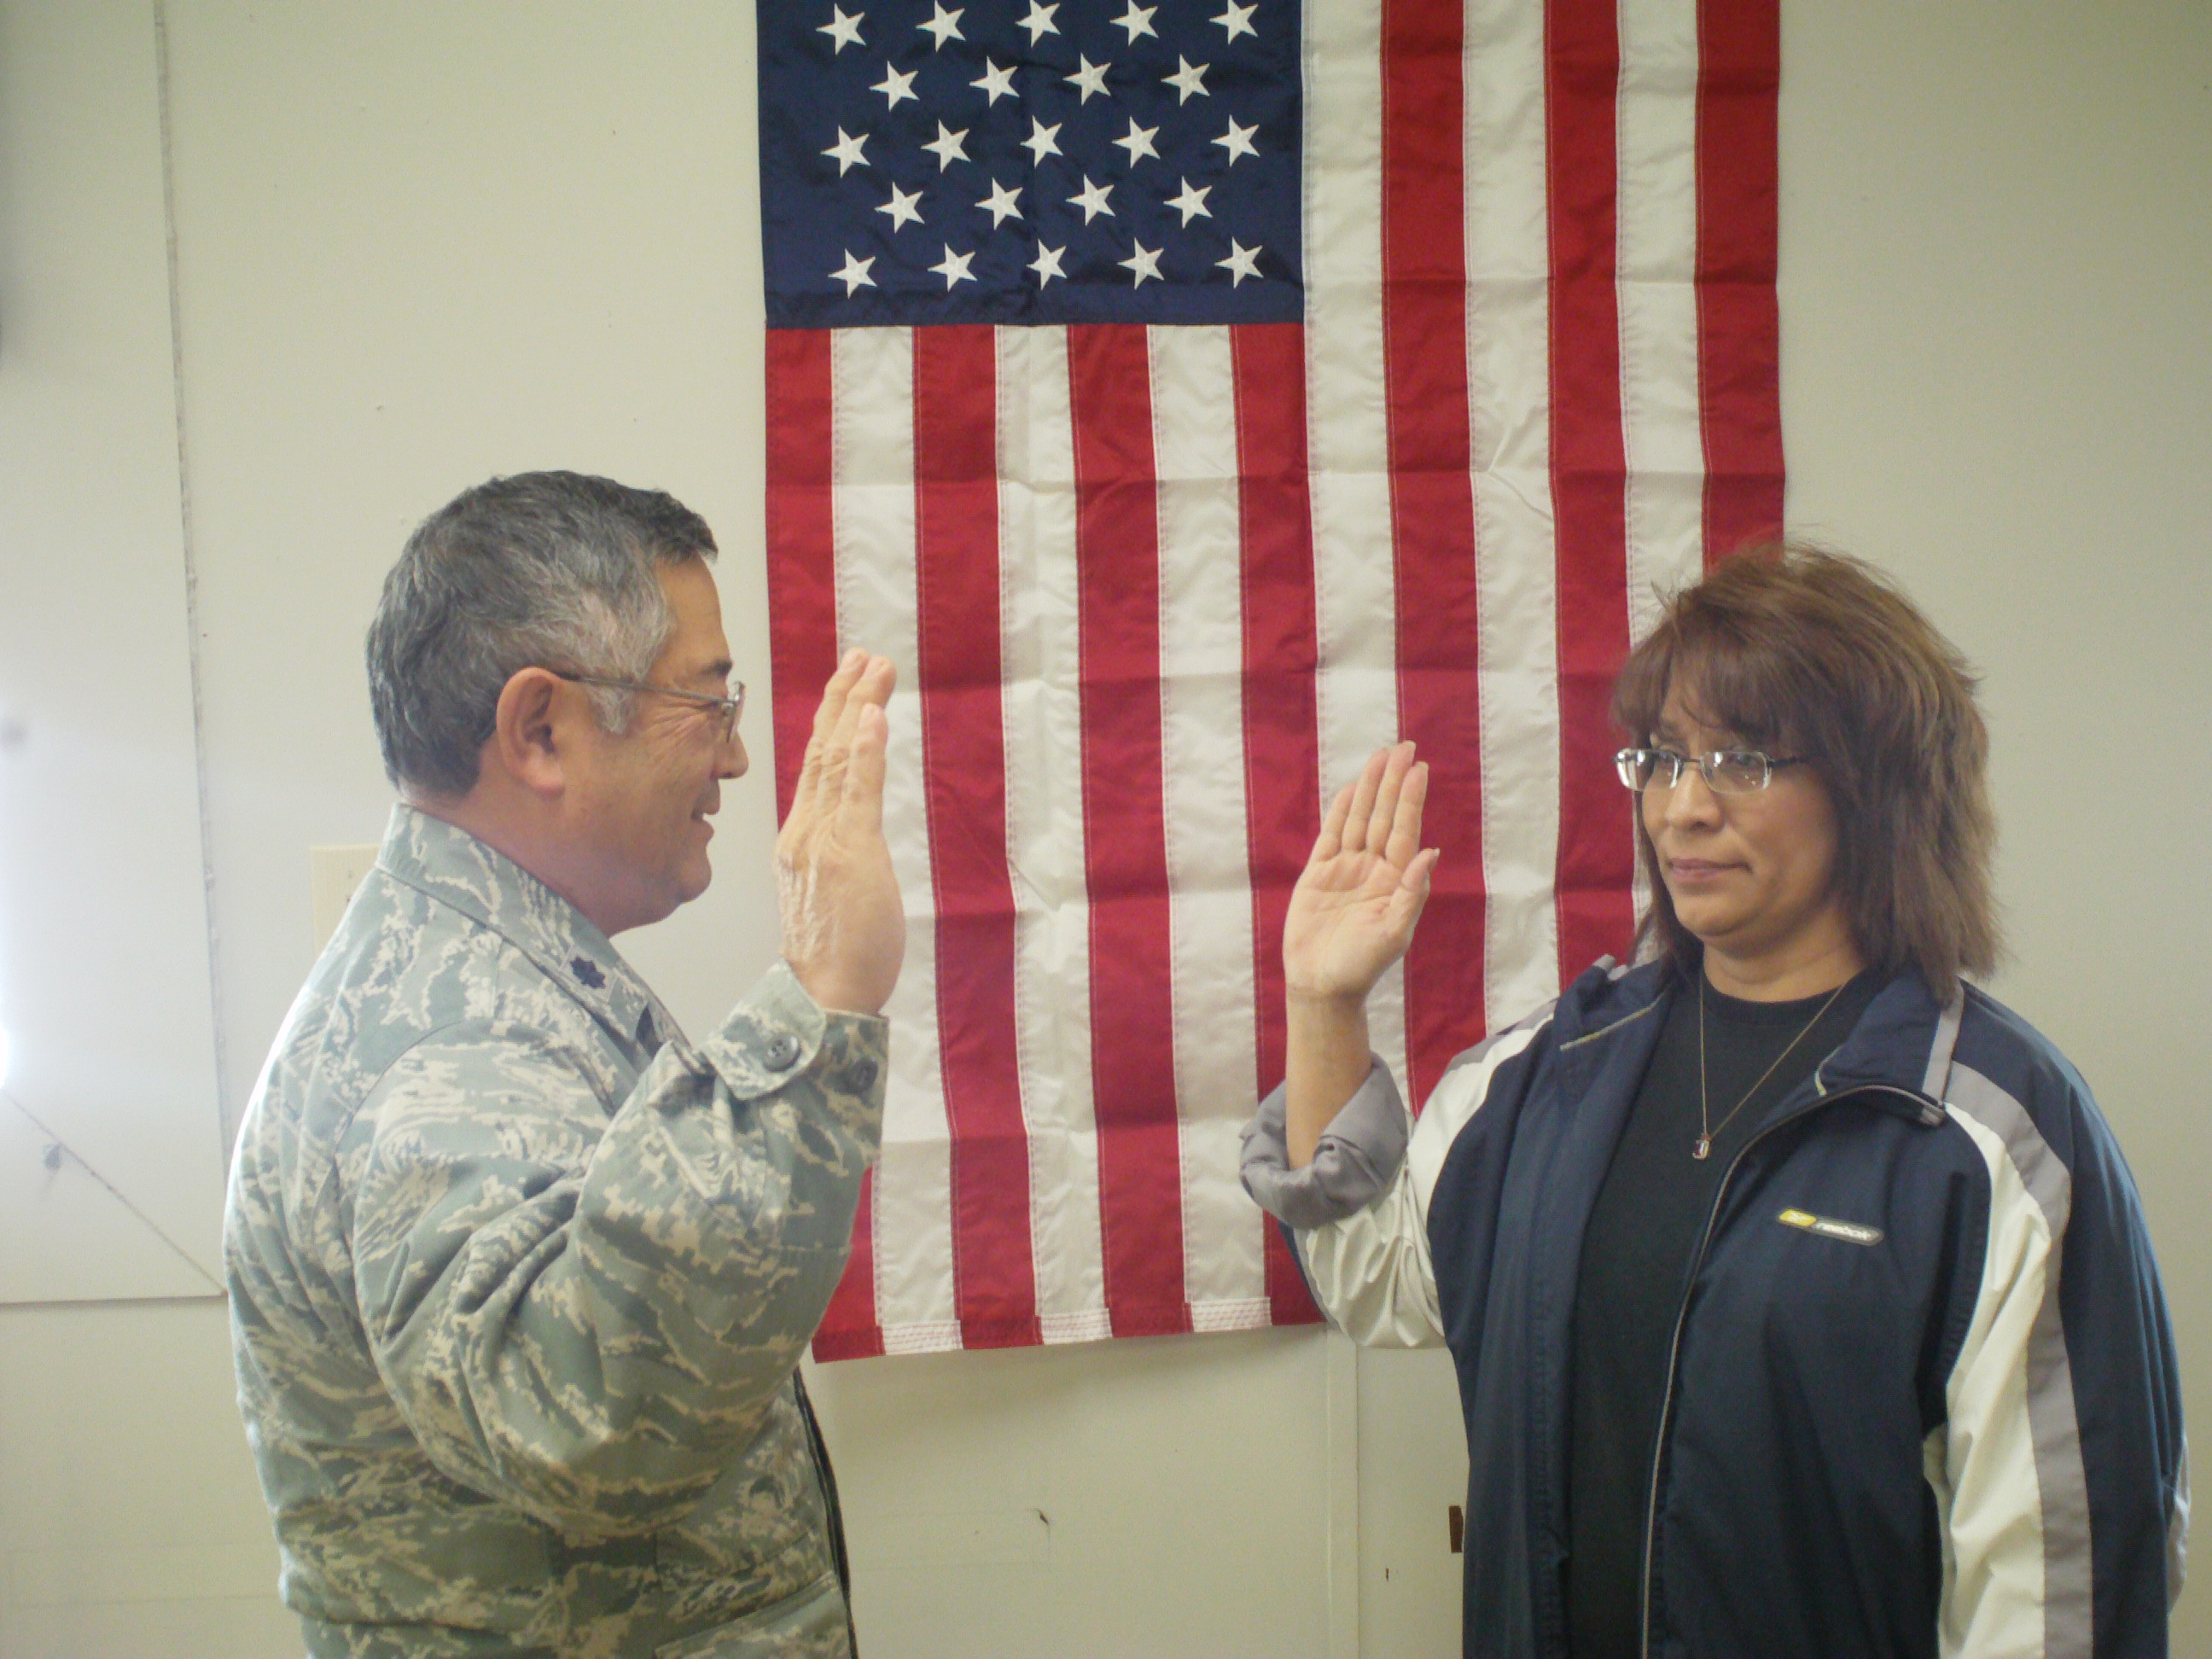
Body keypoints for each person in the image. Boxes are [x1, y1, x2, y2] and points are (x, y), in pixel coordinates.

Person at [1243, 546, 2187, 1657]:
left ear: (1873, 789)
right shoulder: (1554, 1071)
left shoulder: (1986, 1133)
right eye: (1662, 759)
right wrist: (1324, 1001)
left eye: (1742, 761)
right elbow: (1377, 1282)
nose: (1683, 809)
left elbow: (2063, 1586)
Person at [224, 472, 902, 1658]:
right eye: (709, 703)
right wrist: (817, 999)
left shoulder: (481, 973)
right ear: (541, 730)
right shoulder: (448, 1039)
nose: (738, 758)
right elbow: (588, 1417)